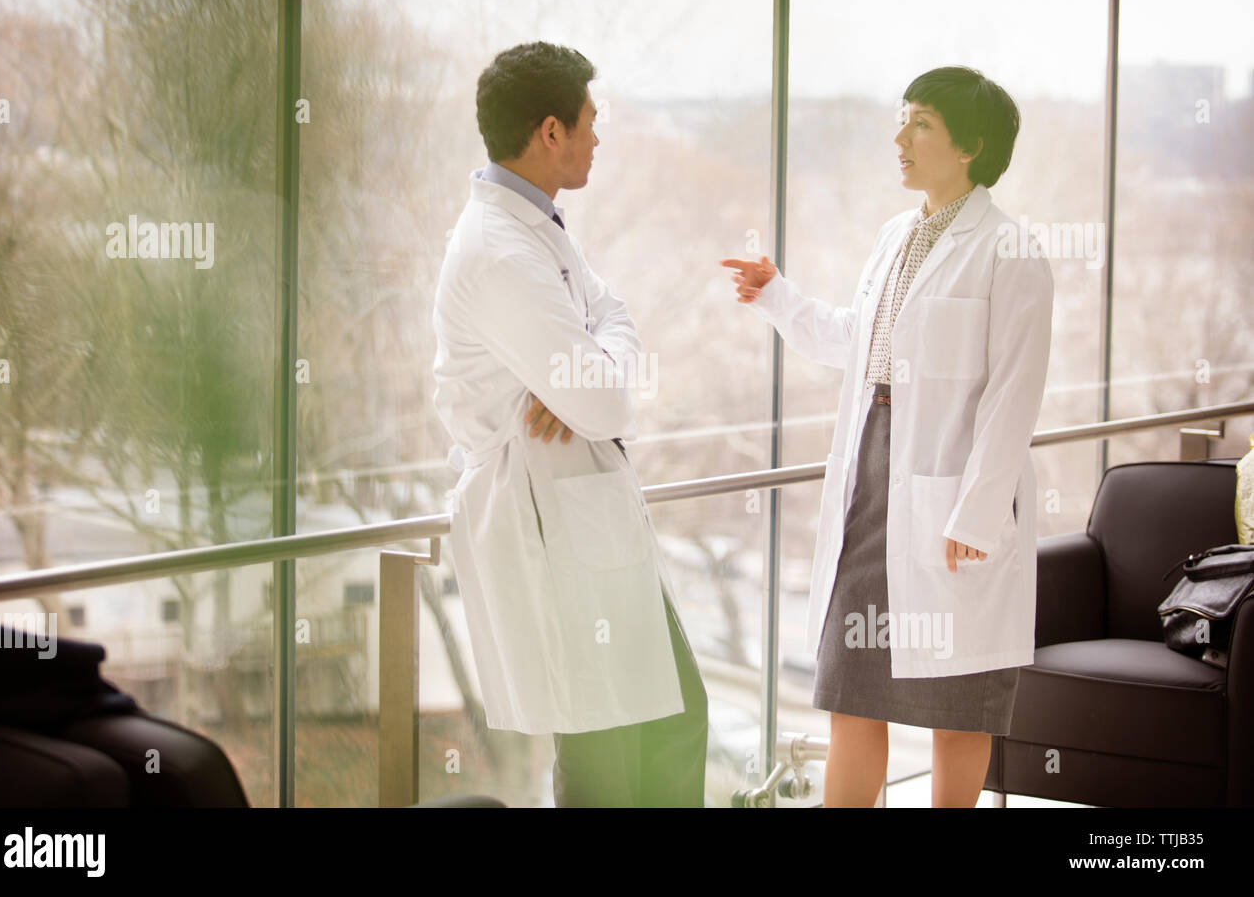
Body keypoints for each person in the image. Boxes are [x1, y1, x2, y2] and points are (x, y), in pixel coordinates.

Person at [722, 66, 1053, 807]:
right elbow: (858, 340)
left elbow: (1014, 394)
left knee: (957, 704)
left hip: (954, 481)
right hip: (872, 472)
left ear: (969, 145)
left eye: (921, 124)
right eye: (902, 119)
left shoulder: (1012, 250)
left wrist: (976, 509)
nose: (900, 138)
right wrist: (778, 295)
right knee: (853, 689)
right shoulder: (894, 236)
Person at [432, 41, 707, 807]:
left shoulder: (537, 225)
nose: (599, 137)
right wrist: (594, 369)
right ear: (550, 131)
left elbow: (613, 318)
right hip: (547, 524)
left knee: (669, 724)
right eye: (591, 121)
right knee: (605, 758)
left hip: (583, 517)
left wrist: (597, 353)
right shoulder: (498, 250)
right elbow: (610, 403)